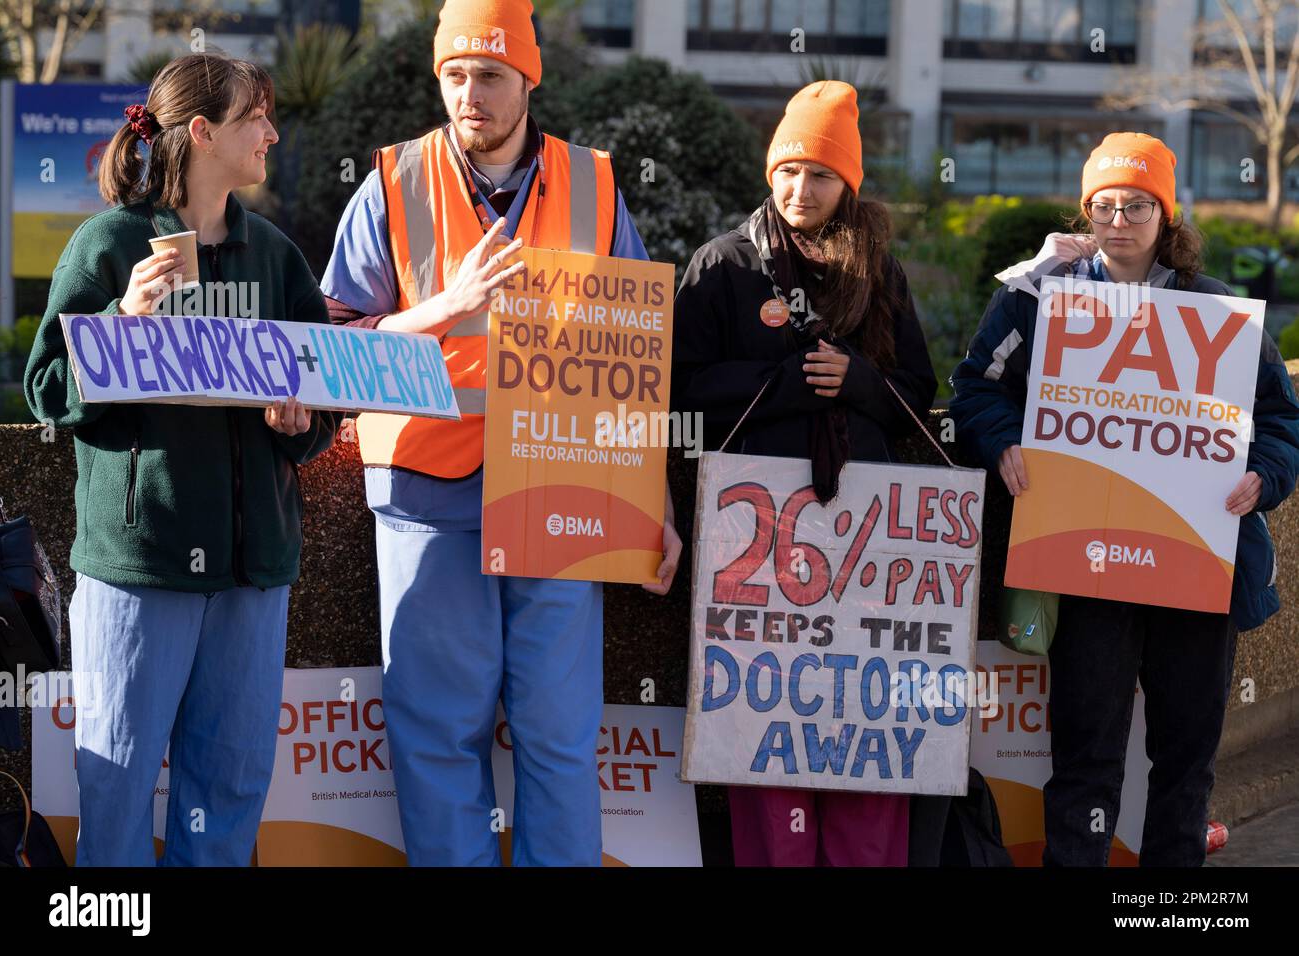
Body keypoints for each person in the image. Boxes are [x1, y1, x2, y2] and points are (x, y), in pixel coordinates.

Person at [321, 0, 680, 866]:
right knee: (439, 733)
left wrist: (655, 500)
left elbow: (631, 353)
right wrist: (443, 311)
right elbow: (331, 351)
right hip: (426, 491)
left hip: (564, 491)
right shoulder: (394, 183)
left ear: (529, 78)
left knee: (560, 735)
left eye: (489, 75)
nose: (469, 94)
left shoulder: (596, 184)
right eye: (454, 75)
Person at [24, 53, 340, 866]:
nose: (272, 133)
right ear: (201, 133)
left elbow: (320, 407)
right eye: (254, 119)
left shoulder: (275, 255)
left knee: (229, 789)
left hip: (254, 573)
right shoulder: (108, 243)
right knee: (118, 784)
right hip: (140, 570)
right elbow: (47, 388)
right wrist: (122, 323)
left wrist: (296, 418)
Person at [949, 131, 1299, 866]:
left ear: (1165, 216)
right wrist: (1005, 442)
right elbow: (976, 385)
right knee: (1085, 753)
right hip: (1088, 566)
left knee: (1187, 758)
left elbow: (1282, 420)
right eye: (1102, 204)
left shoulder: (1217, 310)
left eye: (1137, 203)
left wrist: (1263, 475)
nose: (1119, 218)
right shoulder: (1042, 299)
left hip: (1197, 568)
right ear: (1085, 213)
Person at [672, 80, 939, 866]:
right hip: (756, 548)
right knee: (766, 730)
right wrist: (782, 386)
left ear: (847, 184)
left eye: (820, 174)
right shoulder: (721, 266)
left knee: (863, 722)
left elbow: (920, 399)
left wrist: (862, 383)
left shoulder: (878, 273)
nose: (799, 188)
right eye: (787, 169)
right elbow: (678, 396)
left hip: (862, 542)